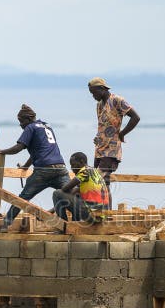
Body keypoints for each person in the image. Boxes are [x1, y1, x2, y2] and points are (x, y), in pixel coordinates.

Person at [0, 104, 70, 230]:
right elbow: (39, 150)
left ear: (28, 119)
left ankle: (5, 225)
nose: (20, 125)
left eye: (21, 121)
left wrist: (2, 151)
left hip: (44, 171)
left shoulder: (30, 127)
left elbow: (18, 148)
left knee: (23, 198)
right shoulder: (47, 126)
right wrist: (25, 166)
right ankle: (66, 225)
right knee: (69, 194)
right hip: (61, 168)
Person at [88, 77, 140, 206]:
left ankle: (108, 213)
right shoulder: (99, 105)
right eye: (91, 94)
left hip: (111, 150)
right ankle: (101, 211)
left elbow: (135, 117)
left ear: (102, 89)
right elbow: (103, 125)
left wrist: (122, 133)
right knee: (98, 182)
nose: (93, 96)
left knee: (101, 181)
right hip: (99, 149)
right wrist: (98, 137)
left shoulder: (117, 100)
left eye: (94, 93)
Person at [52, 151, 110, 224]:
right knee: (77, 196)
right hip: (100, 217)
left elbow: (65, 189)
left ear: (82, 162)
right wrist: (53, 209)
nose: (72, 168)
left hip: (92, 215)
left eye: (73, 165)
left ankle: (63, 225)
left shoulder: (84, 171)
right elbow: (73, 193)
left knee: (57, 193)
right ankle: (74, 224)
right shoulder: (94, 172)